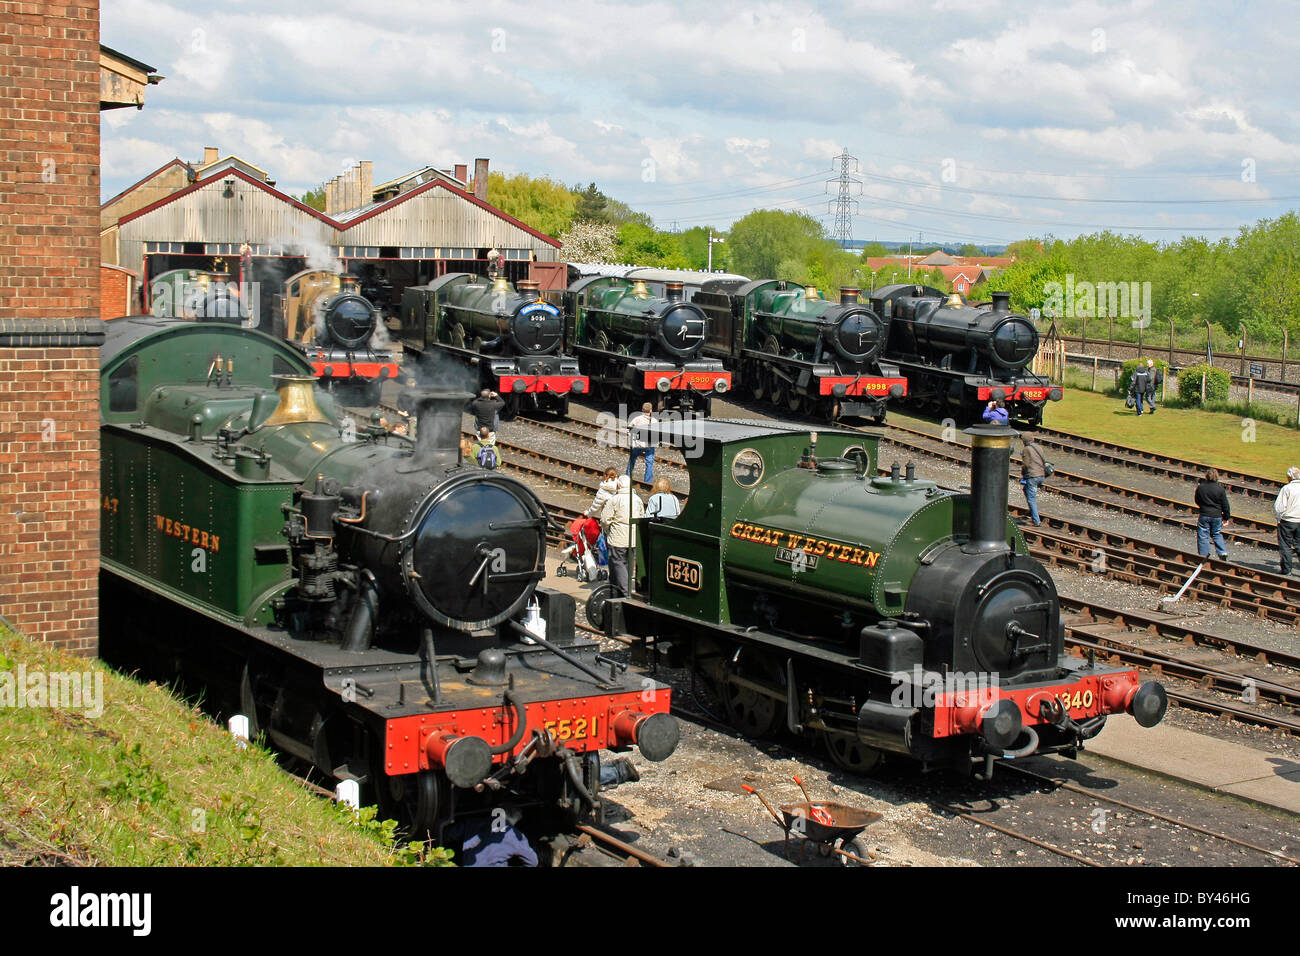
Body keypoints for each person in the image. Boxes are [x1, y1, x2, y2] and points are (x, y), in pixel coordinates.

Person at [600, 474, 644, 598]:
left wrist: (607, 528)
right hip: (633, 538)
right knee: (628, 563)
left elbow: (604, 519)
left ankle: (625, 592)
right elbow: (641, 514)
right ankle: (621, 588)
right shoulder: (637, 499)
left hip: (618, 537)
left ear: (619, 485)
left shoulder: (615, 499)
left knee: (618, 563)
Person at [1194, 468, 1231, 560]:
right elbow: (1225, 505)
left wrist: (1203, 507)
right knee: (1217, 533)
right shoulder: (1220, 489)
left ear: (1206, 476)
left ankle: (1204, 555)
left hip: (1204, 514)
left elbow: (1197, 500)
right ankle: (1222, 552)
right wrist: (1226, 517)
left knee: (1203, 534)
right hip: (1217, 516)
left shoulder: (1201, 487)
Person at [1274, 466, 1300, 575]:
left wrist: (1279, 518)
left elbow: (1279, 507)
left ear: (1289, 477)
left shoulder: (1286, 488)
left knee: (1285, 546)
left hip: (1287, 521)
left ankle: (1286, 569)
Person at [1018, 431, 1047, 526]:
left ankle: (1036, 521)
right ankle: (1031, 512)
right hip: (1041, 475)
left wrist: (1023, 474)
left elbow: (1026, 465)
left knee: (1031, 498)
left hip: (1033, 476)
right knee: (1026, 490)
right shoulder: (1039, 447)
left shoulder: (1026, 449)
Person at [626, 402, 657, 483]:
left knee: (632, 460)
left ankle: (627, 477)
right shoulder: (654, 421)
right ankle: (647, 481)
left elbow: (629, 429)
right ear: (651, 410)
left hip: (637, 445)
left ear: (642, 410)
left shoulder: (637, 419)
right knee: (649, 464)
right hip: (649, 446)